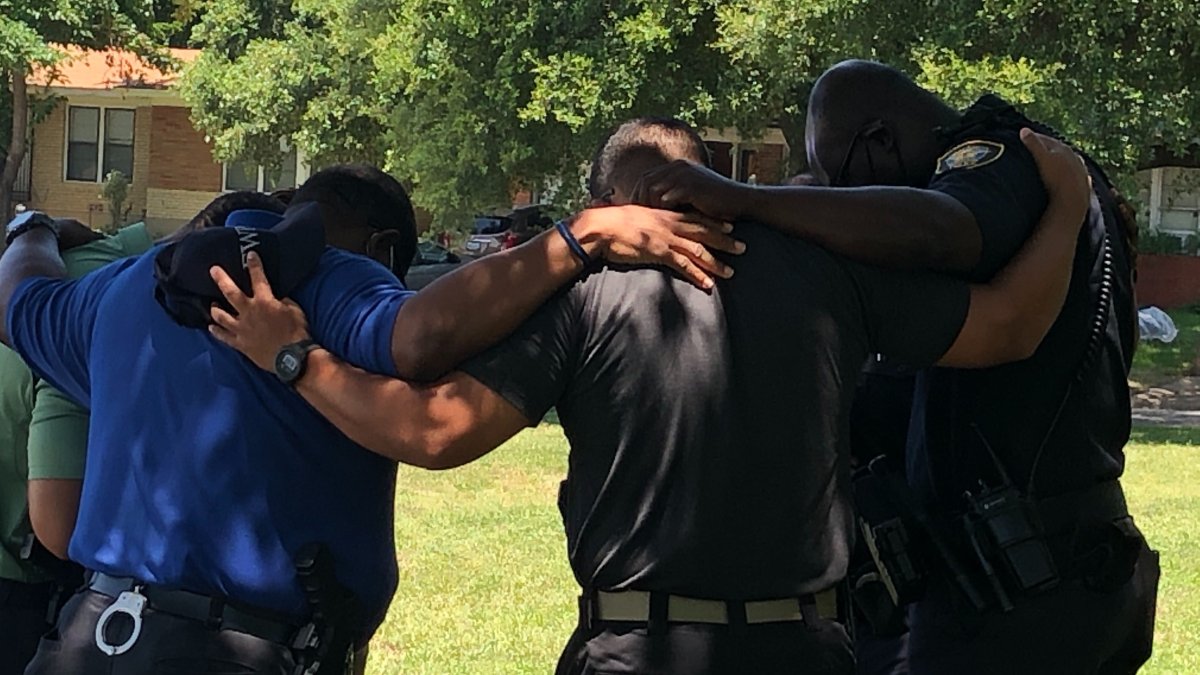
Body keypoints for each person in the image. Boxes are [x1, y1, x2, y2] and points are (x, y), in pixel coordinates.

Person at [200, 118, 1090, 674]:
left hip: (638, 646)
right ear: (705, 181)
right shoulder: (828, 273)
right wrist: (1067, 203)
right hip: (808, 646)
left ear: (608, 202)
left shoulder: (582, 293)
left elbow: (432, 433)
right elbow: (1011, 326)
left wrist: (295, 359)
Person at [0, 163, 735, 674]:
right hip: (237, 651)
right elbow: (420, 337)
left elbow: (18, 299)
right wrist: (580, 238)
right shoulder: (334, 279)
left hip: (88, 639)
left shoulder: (119, 292)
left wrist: (30, 229)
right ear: (383, 250)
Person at [634, 60, 1155, 674]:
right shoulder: (1022, 204)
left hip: (1024, 583)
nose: (843, 203)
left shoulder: (1000, 160)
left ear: (880, 140)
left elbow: (947, 232)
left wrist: (749, 198)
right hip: (1045, 571)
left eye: (844, 180)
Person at [0, 218, 154, 675]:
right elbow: (59, 528)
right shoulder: (102, 313)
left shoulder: (80, 266)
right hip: (17, 590)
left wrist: (33, 228)